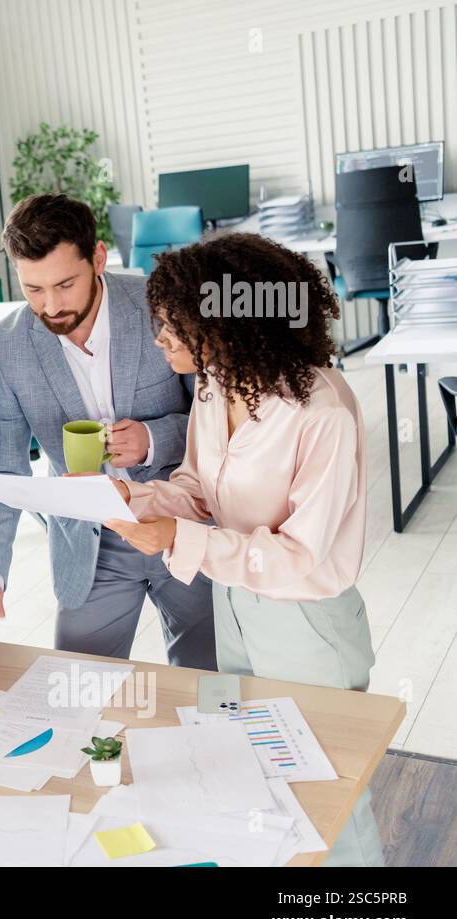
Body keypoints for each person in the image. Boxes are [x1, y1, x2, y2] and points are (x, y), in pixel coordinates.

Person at [104, 232, 383, 866]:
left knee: (332, 797)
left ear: (226, 322)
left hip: (306, 623)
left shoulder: (322, 411)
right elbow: (200, 489)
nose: (159, 340)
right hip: (233, 607)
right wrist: (135, 500)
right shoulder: (215, 386)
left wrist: (179, 540)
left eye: (173, 328)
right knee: (256, 774)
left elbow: (297, 558)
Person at [0, 193, 216, 670]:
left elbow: (218, 425)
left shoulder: (158, 306)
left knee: (209, 685)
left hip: (187, 525)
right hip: (91, 547)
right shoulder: (7, 345)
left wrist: (153, 439)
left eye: (64, 284)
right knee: (77, 690)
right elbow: (3, 466)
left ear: (98, 258)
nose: (51, 306)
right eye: (33, 289)